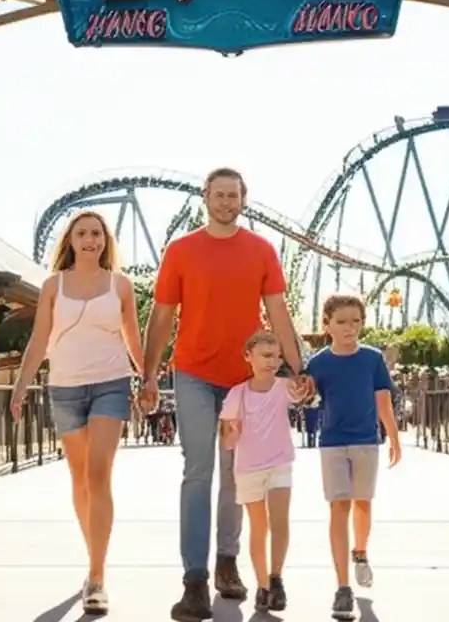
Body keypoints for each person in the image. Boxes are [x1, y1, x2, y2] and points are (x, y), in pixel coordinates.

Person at [140, 167, 305, 622]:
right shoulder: (180, 251)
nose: (227, 201)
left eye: (234, 195)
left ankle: (227, 563)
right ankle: (194, 579)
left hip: (243, 380)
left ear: (243, 199)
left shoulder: (261, 250)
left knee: (237, 471)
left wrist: (296, 368)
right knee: (198, 470)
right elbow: (162, 316)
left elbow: (278, 312)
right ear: (205, 197)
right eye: (220, 194)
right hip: (192, 372)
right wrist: (149, 374)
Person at [12, 210, 145, 616]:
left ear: (106, 241)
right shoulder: (53, 285)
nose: (90, 240)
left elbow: (133, 338)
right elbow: (39, 339)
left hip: (110, 383)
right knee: (79, 478)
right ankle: (94, 557)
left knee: (98, 474)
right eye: (82, 233)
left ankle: (98, 576)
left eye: (97, 234)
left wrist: (149, 378)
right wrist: (20, 386)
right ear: (70, 240)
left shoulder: (120, 285)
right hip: (65, 386)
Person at [304, 294, 402, 621]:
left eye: (356, 321)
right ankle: (342, 586)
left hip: (365, 441)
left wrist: (394, 437)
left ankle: (360, 552)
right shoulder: (319, 362)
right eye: (342, 321)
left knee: (363, 502)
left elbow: (383, 401)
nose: (350, 328)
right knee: (338, 506)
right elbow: (304, 392)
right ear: (327, 324)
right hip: (332, 442)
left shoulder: (372, 359)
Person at [219, 331, 311, 612]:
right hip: (248, 469)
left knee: (280, 520)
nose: (272, 361)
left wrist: (305, 384)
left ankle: (276, 577)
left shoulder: (284, 387)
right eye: (266, 355)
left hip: (279, 462)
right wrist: (233, 431)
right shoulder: (238, 394)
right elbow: (227, 441)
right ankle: (262, 585)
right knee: (259, 526)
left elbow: (302, 395)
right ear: (249, 357)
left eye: (276, 356)